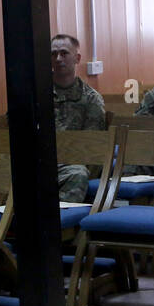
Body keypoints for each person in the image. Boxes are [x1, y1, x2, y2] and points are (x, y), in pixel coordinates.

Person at [50, 33, 105, 202]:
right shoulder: (35, 93)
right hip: (39, 161)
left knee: (78, 174)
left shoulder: (90, 98)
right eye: (53, 54)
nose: (58, 58)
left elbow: (91, 146)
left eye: (64, 53)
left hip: (71, 164)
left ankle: (57, 223)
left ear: (77, 58)